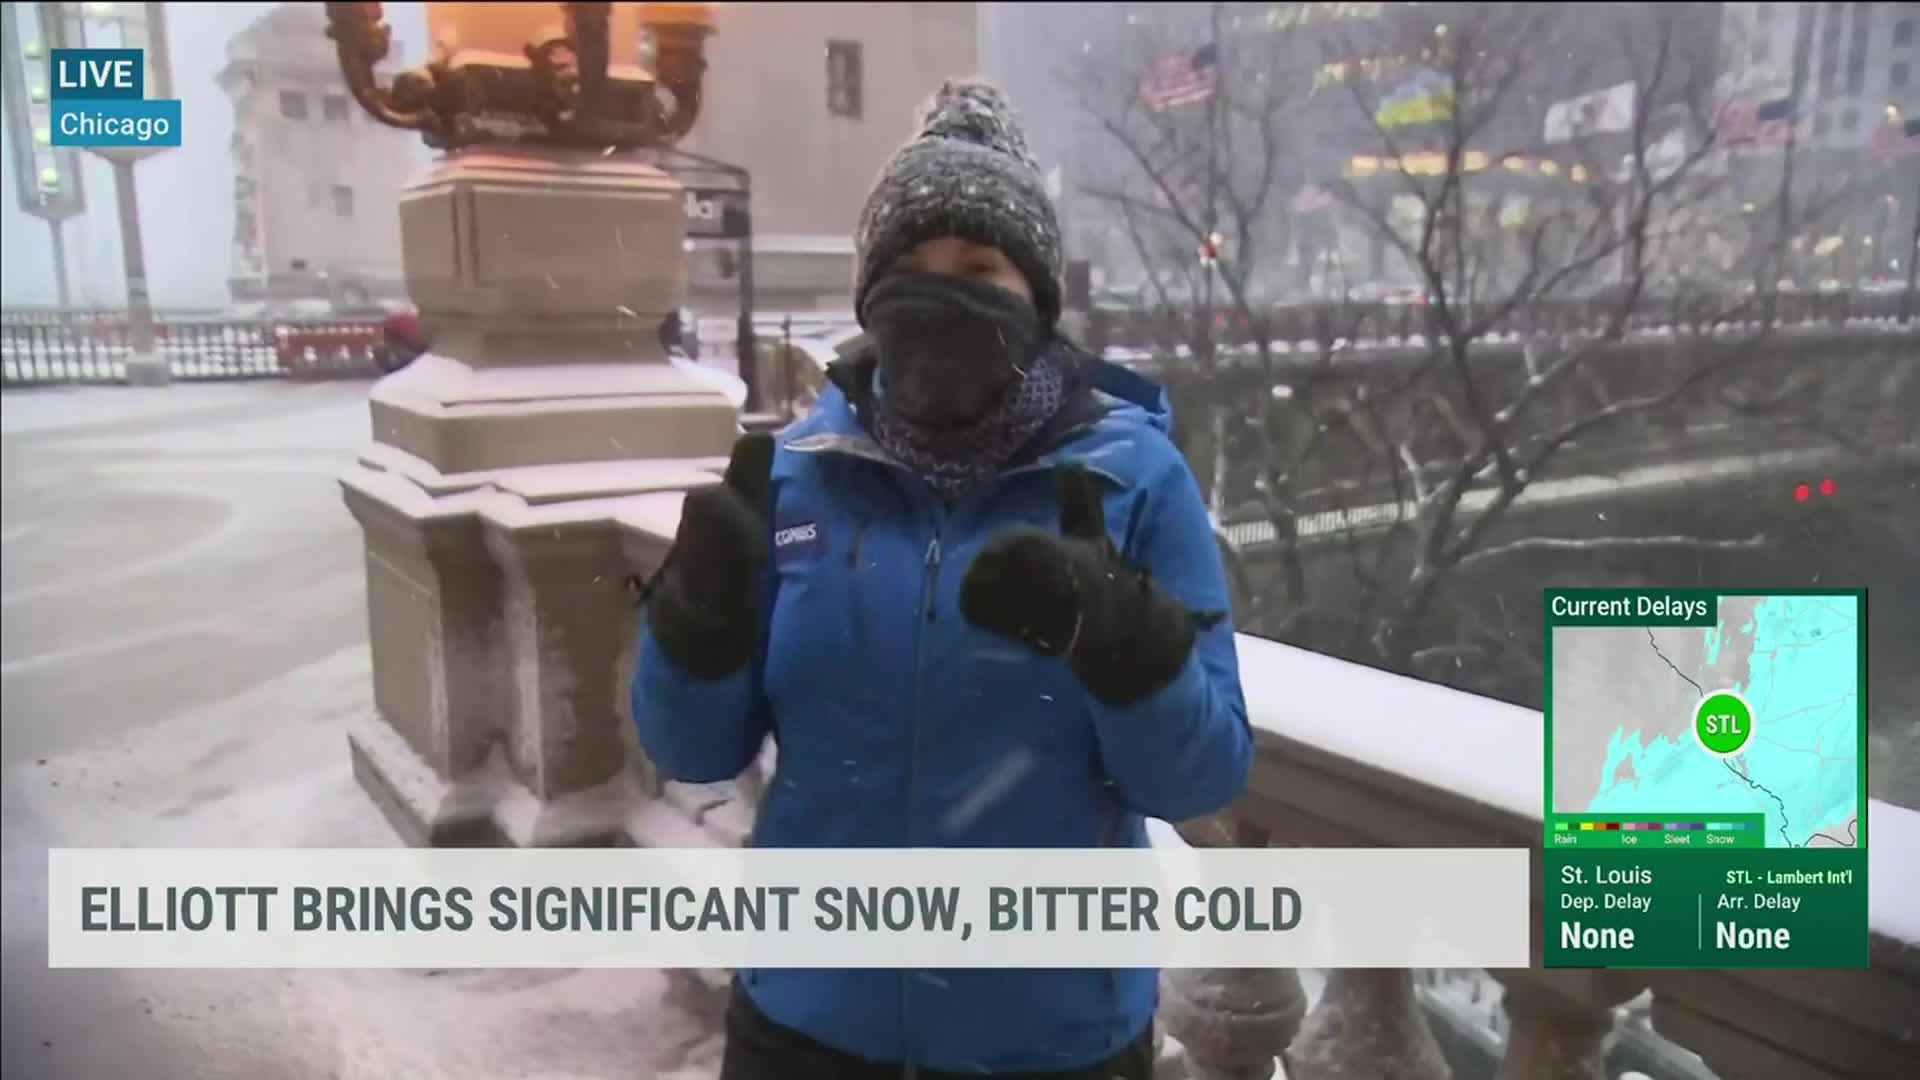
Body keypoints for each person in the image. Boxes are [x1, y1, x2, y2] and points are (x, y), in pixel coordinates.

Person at [631, 77, 1252, 1079]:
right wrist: (693, 626)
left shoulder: (1134, 479)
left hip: (1052, 1040)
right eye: (912, 264)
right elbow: (689, 749)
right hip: (805, 1023)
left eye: (978, 264)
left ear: (1037, 297)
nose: (942, 291)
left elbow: (1202, 776)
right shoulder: (794, 474)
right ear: (872, 291)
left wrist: (1131, 651)